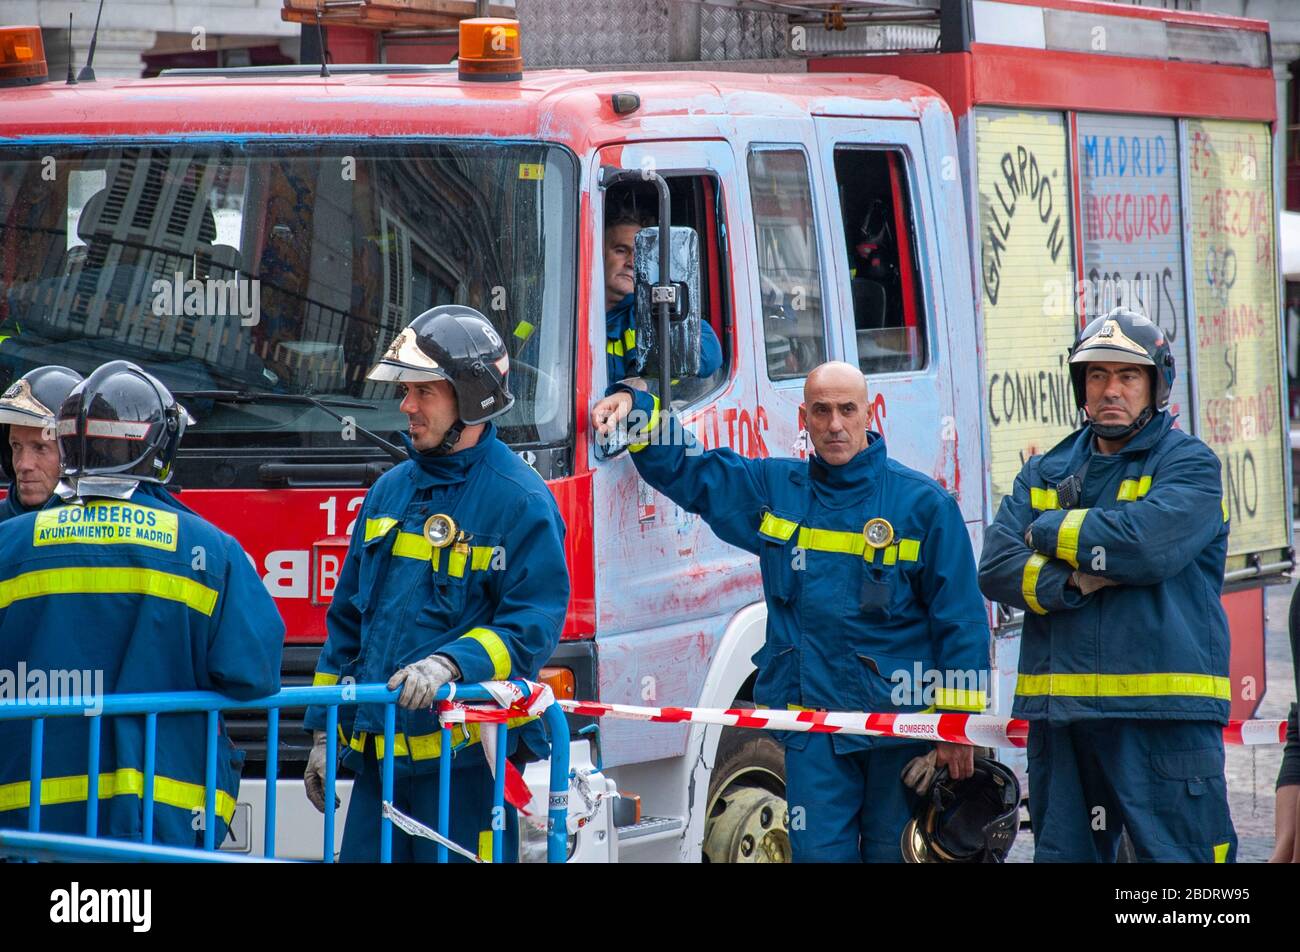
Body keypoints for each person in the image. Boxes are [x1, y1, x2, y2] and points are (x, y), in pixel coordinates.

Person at [591, 360, 989, 862]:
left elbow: (963, 622)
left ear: (870, 412)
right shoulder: (777, 491)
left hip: (900, 737)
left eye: (847, 409)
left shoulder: (924, 506)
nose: (835, 424)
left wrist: (956, 728)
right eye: (821, 411)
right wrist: (637, 411)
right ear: (804, 418)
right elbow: (696, 473)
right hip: (814, 737)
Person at [303, 304, 569, 863]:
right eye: (406, 391)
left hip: (467, 775)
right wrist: (324, 733)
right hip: (379, 767)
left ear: (470, 398)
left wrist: (450, 665)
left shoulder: (520, 502)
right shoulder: (388, 493)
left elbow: (530, 627)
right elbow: (349, 622)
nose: (406, 406)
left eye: (423, 391)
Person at [979, 307, 1236, 863]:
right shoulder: (1046, 469)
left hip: (1164, 720)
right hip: (1063, 722)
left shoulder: (1191, 466)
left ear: (1155, 385)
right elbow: (996, 565)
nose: (1110, 390)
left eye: (1127, 376)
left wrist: (1044, 529)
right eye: (1096, 375)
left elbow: (1144, 546)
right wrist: (1071, 580)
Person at [0, 361, 284, 845]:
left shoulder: (9, 545)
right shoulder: (211, 552)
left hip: (29, 823)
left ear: (69, 447)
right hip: (163, 824)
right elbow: (252, 673)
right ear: (160, 448)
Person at [604, 202, 723, 385]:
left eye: (640, 255)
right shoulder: (568, 319)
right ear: (599, 254)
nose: (631, 262)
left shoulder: (656, 311)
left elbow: (709, 355)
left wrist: (641, 384)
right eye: (621, 250)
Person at [0, 365, 84, 520]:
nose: (24, 465)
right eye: (16, 446)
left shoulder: (97, 528)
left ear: (75, 457)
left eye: (40, 448)